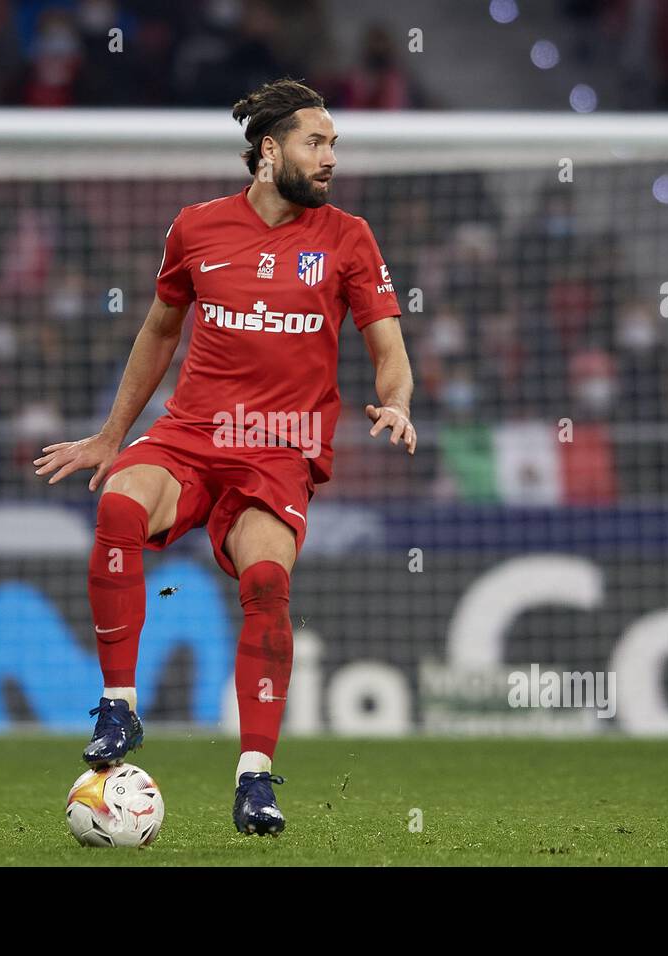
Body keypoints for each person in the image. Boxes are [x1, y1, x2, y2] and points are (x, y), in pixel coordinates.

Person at [34, 77, 414, 836]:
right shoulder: (197, 228)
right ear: (270, 152)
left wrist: (397, 401)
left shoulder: (348, 237)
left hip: (279, 451)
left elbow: (388, 349)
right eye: (318, 141)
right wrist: (112, 436)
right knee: (116, 505)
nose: (332, 156)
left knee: (268, 583)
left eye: (335, 142)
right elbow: (158, 332)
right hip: (193, 433)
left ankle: (255, 780)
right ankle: (118, 707)